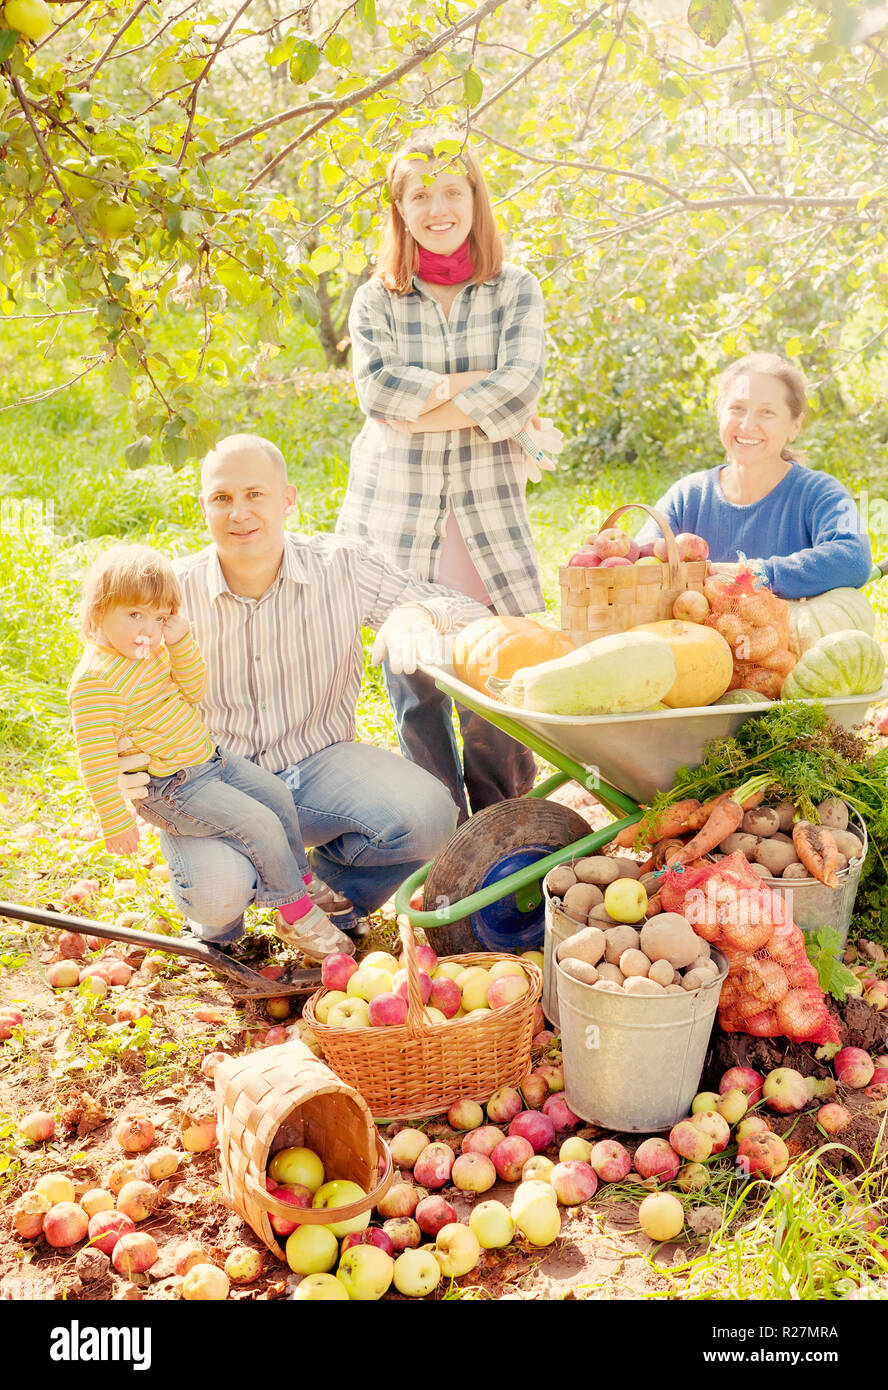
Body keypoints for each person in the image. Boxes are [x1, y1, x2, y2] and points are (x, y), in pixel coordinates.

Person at [118, 434, 491, 952]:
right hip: (213, 780)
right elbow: (109, 682)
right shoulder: (170, 592)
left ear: (288, 498)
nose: (239, 513)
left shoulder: (342, 568)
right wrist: (123, 758)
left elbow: (464, 609)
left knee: (428, 813)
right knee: (217, 893)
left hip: (318, 766)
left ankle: (330, 899)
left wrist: (418, 615)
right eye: (222, 498)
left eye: (256, 494)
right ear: (201, 505)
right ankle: (223, 929)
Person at [336, 128, 558, 821]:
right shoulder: (377, 300)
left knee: (497, 689)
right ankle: (441, 841)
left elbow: (520, 389)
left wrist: (426, 399)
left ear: (475, 199)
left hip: (487, 521)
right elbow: (378, 396)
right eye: (419, 194)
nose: (438, 207)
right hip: (398, 523)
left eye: (452, 190)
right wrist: (476, 392)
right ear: (399, 209)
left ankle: (508, 833)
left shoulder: (514, 290)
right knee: (417, 687)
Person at [68, 543, 344, 960]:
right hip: (171, 787)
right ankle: (296, 914)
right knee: (260, 824)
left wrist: (178, 642)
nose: (146, 629)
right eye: (134, 615)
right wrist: (113, 820)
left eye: (157, 617)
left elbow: (194, 691)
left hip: (209, 759)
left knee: (275, 796)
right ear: (99, 610)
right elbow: (95, 758)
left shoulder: (150, 650)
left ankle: (299, 880)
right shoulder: (95, 681)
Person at [636, 352, 872, 598]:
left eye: (767, 412)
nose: (748, 425)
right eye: (737, 408)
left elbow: (854, 557)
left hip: (788, 632)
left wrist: (755, 574)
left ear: (795, 425)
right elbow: (638, 561)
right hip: (690, 633)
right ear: (720, 414)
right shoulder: (689, 495)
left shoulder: (820, 492)